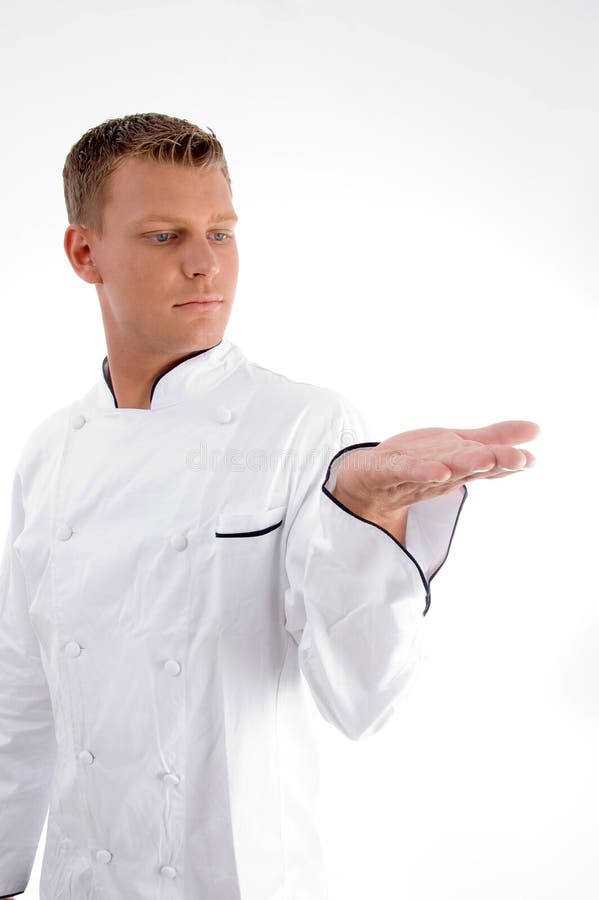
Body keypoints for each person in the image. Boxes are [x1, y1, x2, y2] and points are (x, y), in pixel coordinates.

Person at [0, 112, 539, 900]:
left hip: (241, 879)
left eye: (220, 233)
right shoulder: (52, 448)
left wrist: (367, 517)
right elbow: (20, 689)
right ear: (86, 254)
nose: (203, 265)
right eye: (164, 236)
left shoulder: (303, 425)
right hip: (86, 881)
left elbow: (362, 699)